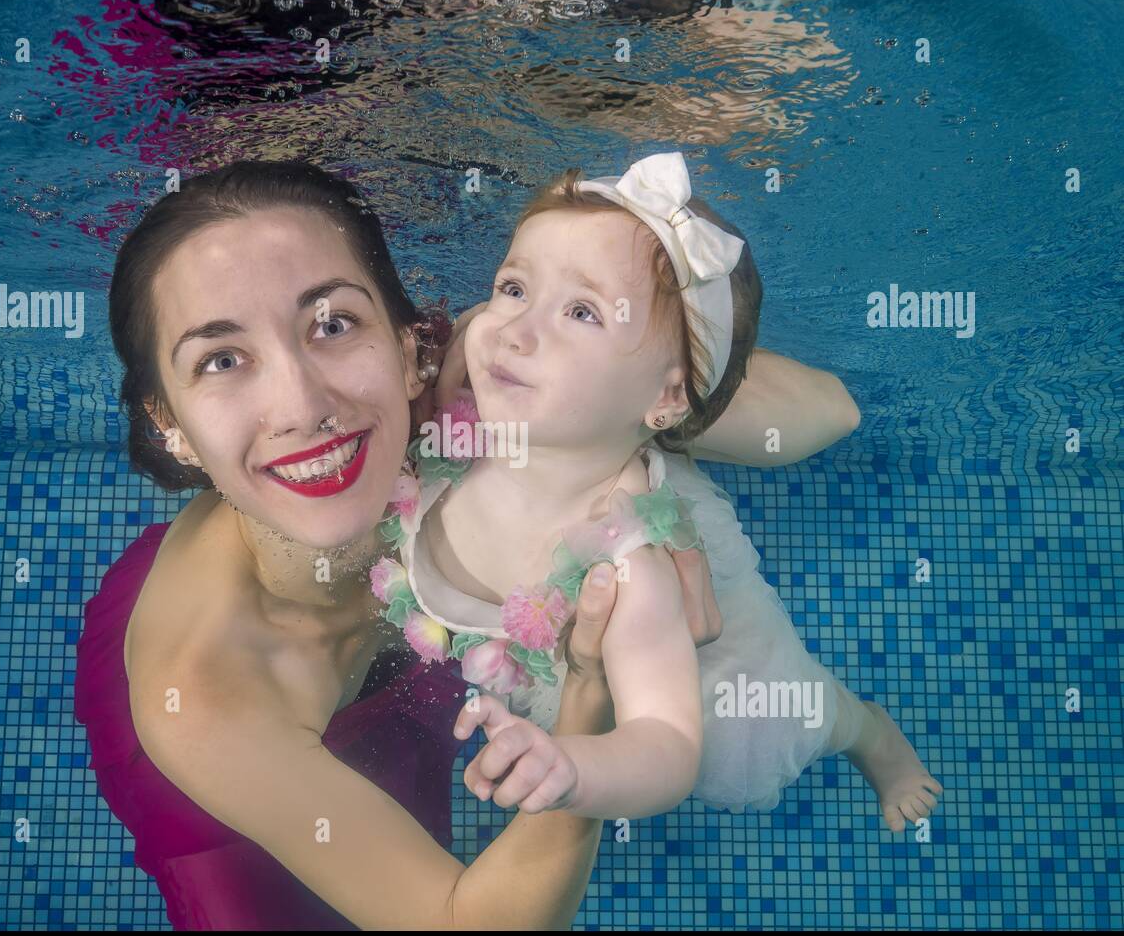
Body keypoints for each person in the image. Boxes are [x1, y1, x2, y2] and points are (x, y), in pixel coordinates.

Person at [74, 158, 863, 930]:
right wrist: (588, 694)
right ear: (168, 424)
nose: (303, 405)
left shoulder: (466, 390)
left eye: (333, 324)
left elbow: (831, 411)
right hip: (235, 789)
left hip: (421, 651)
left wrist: (623, 398)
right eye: (221, 360)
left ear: (410, 343)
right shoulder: (205, 702)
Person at [377, 152, 942, 830]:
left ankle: (871, 733)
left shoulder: (634, 571)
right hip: (573, 623)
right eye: (514, 287)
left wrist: (578, 770)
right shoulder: (463, 403)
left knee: (792, 719)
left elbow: (669, 744)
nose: (516, 332)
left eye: (581, 312)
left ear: (667, 396)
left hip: (714, 677)